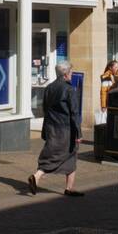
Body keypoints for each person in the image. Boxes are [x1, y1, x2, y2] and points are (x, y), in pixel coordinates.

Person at [28, 60, 83, 197]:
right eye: (71, 72)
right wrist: (79, 133)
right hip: (66, 130)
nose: (72, 74)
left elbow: (45, 109)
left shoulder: (49, 88)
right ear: (65, 74)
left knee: (68, 156)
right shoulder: (70, 89)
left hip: (52, 127)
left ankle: (69, 188)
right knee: (57, 156)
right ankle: (37, 176)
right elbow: (74, 113)